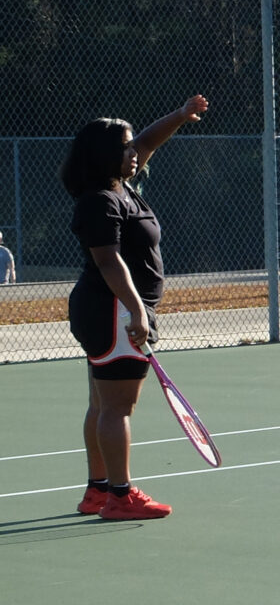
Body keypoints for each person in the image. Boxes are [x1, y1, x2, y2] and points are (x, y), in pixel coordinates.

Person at [63, 94, 208, 520]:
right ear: (107, 154)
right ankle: (120, 497)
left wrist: (180, 116)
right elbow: (108, 260)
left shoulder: (120, 186)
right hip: (115, 311)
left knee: (102, 404)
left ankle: (97, 491)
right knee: (117, 407)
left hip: (110, 310)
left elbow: (147, 141)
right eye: (125, 148)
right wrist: (137, 312)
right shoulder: (102, 201)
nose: (134, 152)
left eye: (131, 147)